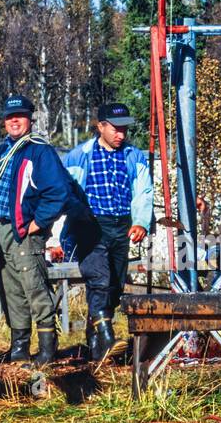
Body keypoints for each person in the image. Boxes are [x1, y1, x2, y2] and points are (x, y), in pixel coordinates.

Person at [0, 94, 89, 366]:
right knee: (11, 289)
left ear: (29, 119)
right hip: (1, 229)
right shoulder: (5, 149)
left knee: (34, 287)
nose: (14, 121)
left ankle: (47, 349)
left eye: (19, 116)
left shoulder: (39, 150)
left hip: (24, 231)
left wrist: (38, 223)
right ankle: (19, 349)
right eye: (10, 117)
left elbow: (58, 191)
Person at [63, 101, 155, 362]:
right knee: (99, 281)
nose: (121, 135)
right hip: (90, 226)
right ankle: (106, 335)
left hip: (121, 226)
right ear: (100, 126)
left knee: (114, 285)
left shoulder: (133, 156)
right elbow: (66, 193)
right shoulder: (78, 156)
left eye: (124, 130)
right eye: (115, 129)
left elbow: (143, 192)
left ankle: (96, 349)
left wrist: (140, 222)